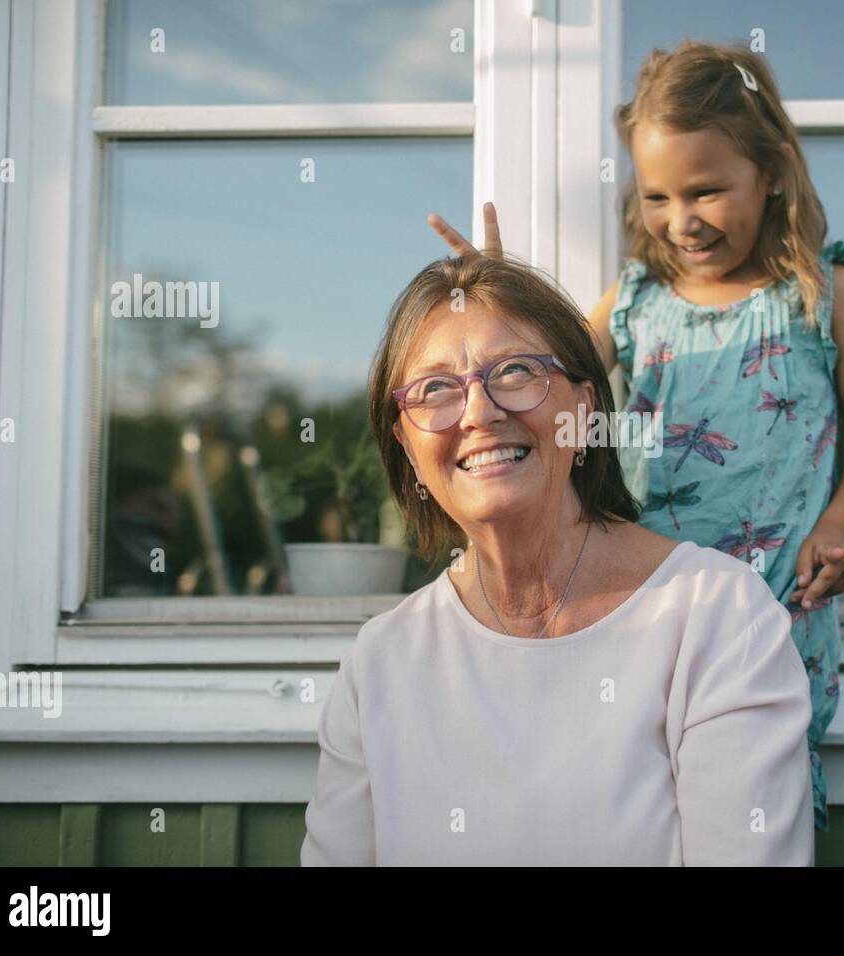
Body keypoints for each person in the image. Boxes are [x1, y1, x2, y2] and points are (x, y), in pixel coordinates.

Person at [429, 41, 844, 832]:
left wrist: (841, 526)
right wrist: (496, 304)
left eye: (706, 191)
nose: (680, 221)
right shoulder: (637, 300)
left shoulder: (825, 291)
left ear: (773, 170)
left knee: (749, 808)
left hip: (778, 614)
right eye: (657, 197)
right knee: (630, 806)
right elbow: (543, 378)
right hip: (641, 614)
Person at [300, 252, 815, 865]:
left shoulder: (715, 617)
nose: (479, 411)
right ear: (408, 450)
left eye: (516, 371)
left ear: (584, 409)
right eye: (435, 388)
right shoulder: (380, 665)